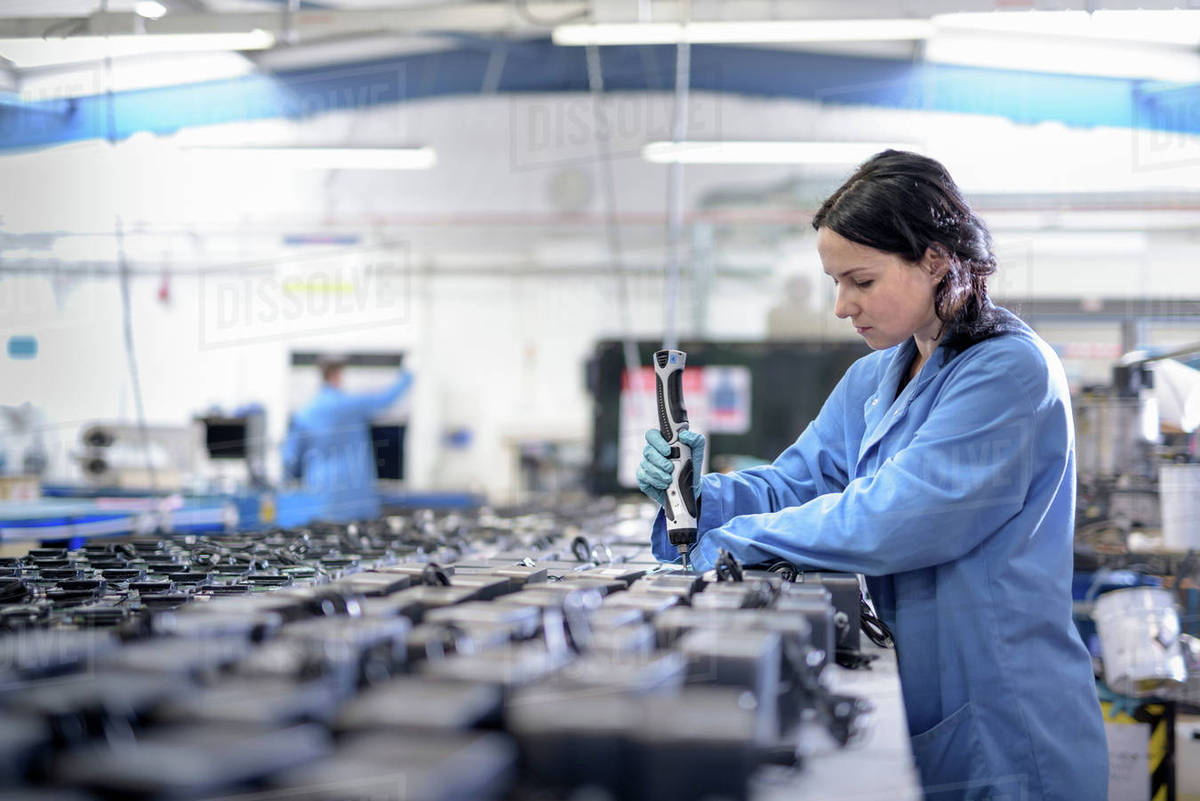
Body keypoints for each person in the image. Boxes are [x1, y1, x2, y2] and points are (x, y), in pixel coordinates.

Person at [637, 151, 1107, 800]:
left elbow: (896, 517)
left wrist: (737, 541)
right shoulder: (875, 375)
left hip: (1007, 717)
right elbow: (794, 483)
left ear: (936, 259)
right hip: (924, 700)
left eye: (860, 280)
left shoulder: (1009, 372)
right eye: (835, 282)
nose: (840, 306)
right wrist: (694, 496)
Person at [281, 355, 412, 522]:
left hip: (320, 493)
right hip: (352, 493)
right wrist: (407, 375)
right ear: (337, 375)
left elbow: (289, 458)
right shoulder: (350, 405)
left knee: (321, 541)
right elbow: (385, 400)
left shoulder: (306, 413)